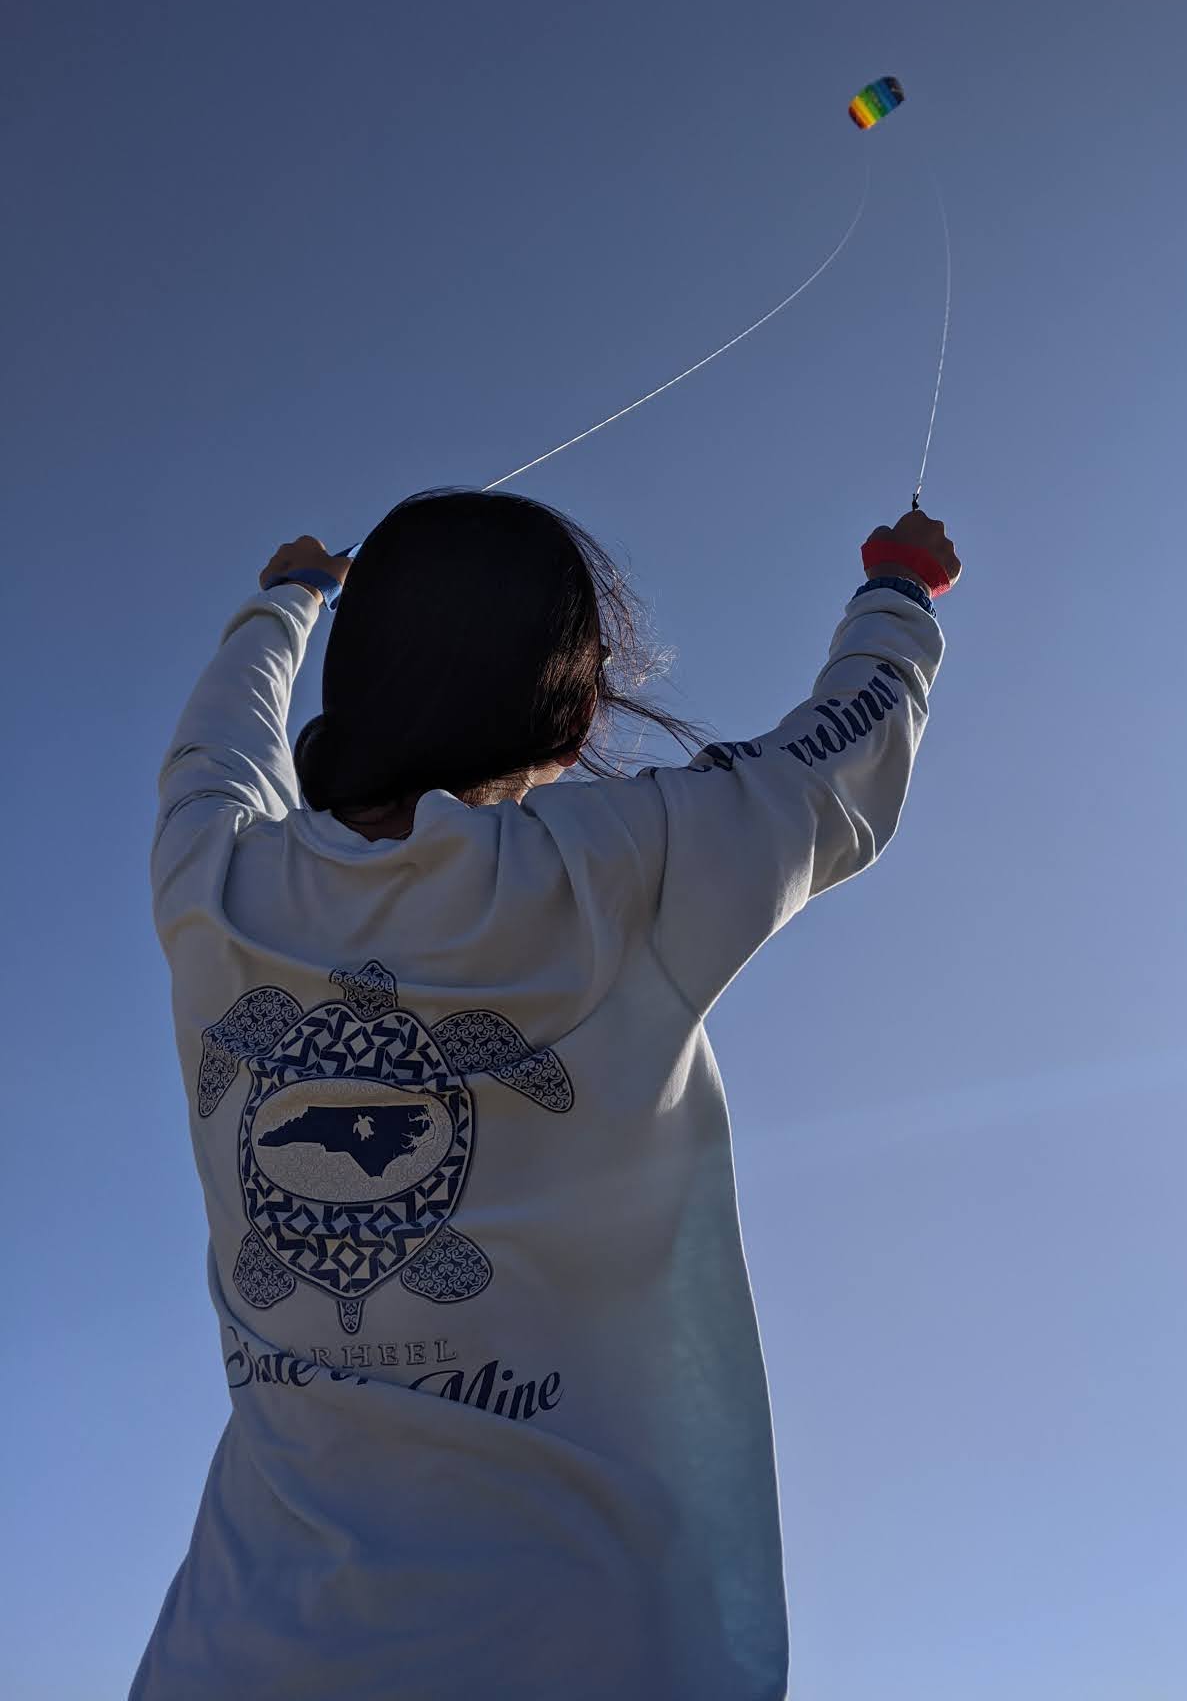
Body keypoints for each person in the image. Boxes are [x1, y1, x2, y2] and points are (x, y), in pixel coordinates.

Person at [133, 488, 957, 1701]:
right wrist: (899, 592)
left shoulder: (213, 886)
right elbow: (844, 754)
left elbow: (216, 741)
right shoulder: (626, 867)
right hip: (593, 1649)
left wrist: (287, 597)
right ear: (574, 717)